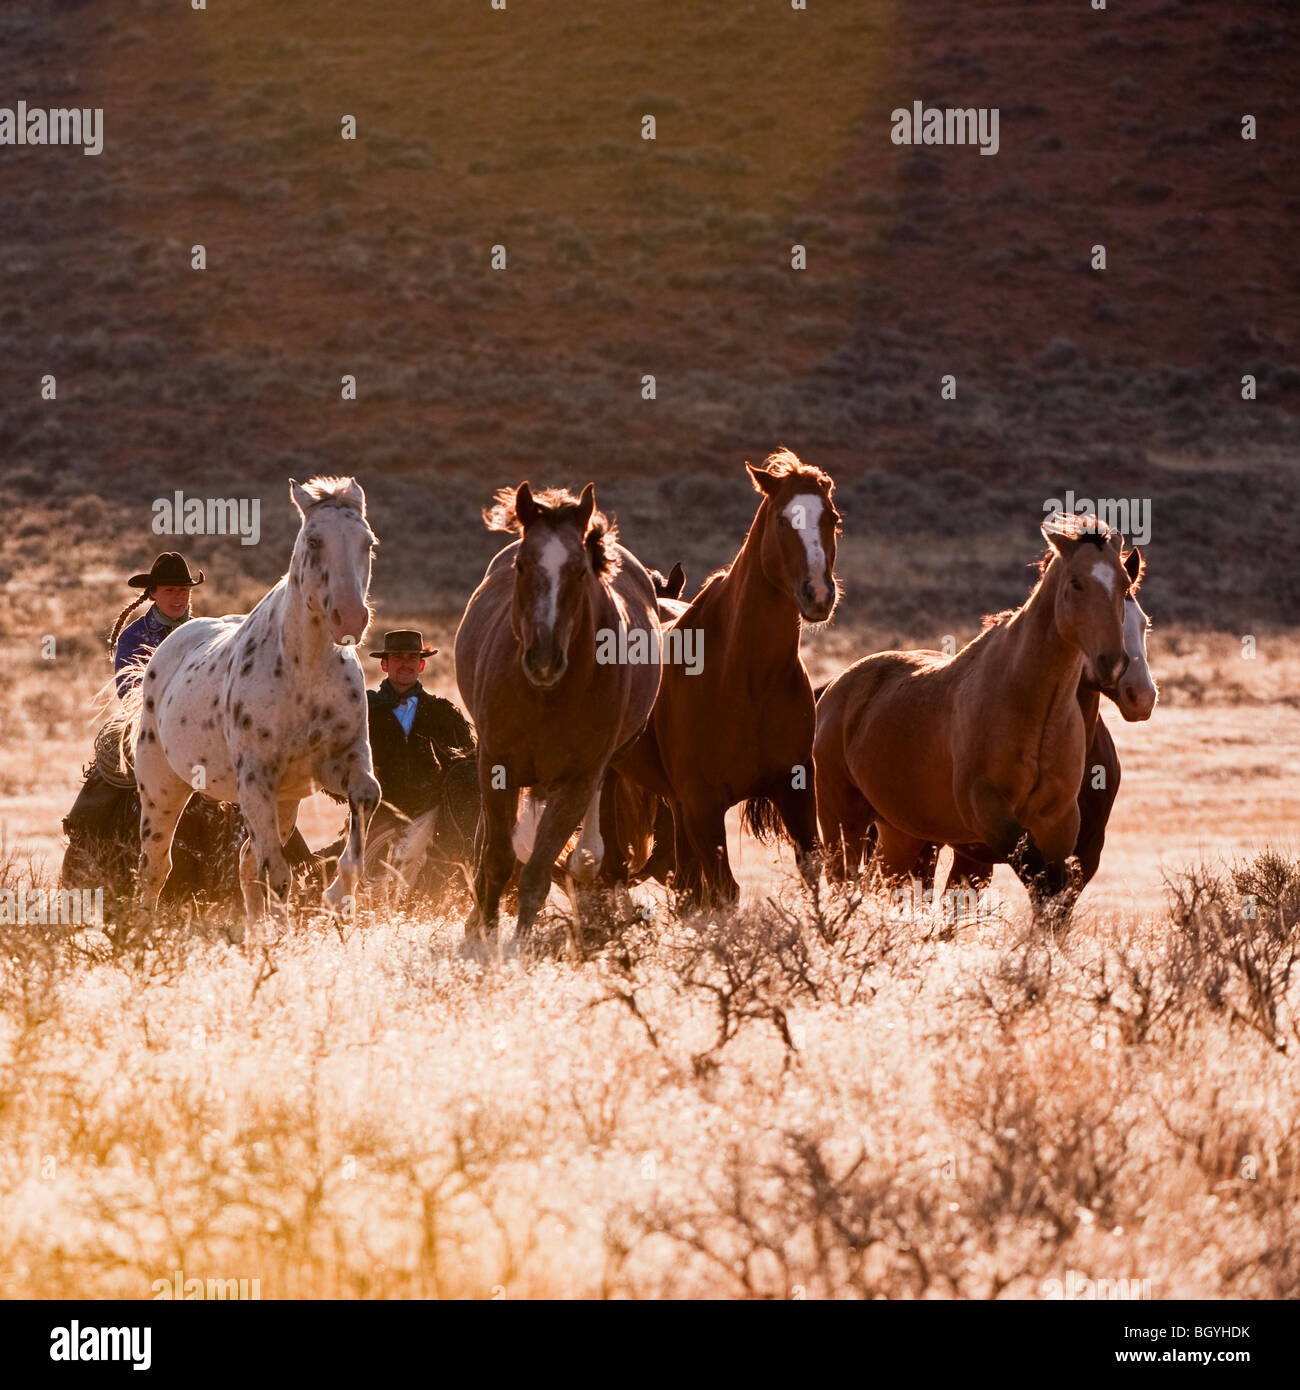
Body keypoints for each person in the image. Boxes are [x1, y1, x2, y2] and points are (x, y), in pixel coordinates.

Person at [366, 630, 475, 821]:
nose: (406, 664)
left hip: (436, 818)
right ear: (385, 664)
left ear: (421, 665)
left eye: (412, 657)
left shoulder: (444, 714)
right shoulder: (365, 711)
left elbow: (467, 769)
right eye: (398, 657)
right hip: (377, 815)